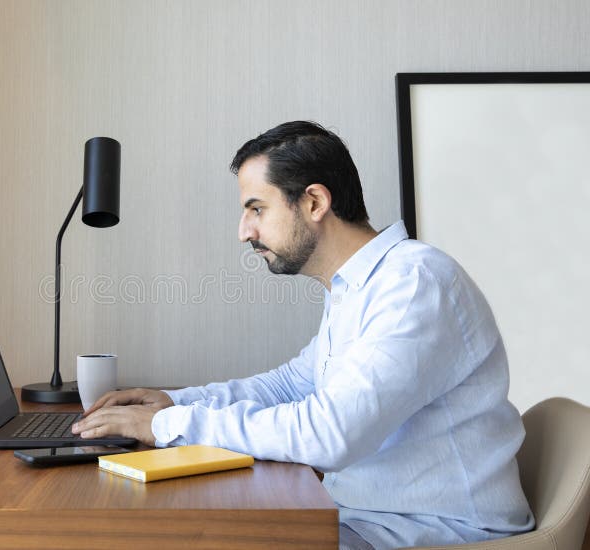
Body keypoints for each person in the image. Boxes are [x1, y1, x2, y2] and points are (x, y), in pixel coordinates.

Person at [72, 121, 534, 549]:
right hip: (370, 518)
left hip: (439, 532)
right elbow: (293, 385)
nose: (243, 232)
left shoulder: (413, 284)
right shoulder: (355, 288)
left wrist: (166, 427)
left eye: (256, 208)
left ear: (314, 202)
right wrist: (174, 402)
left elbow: (329, 435)